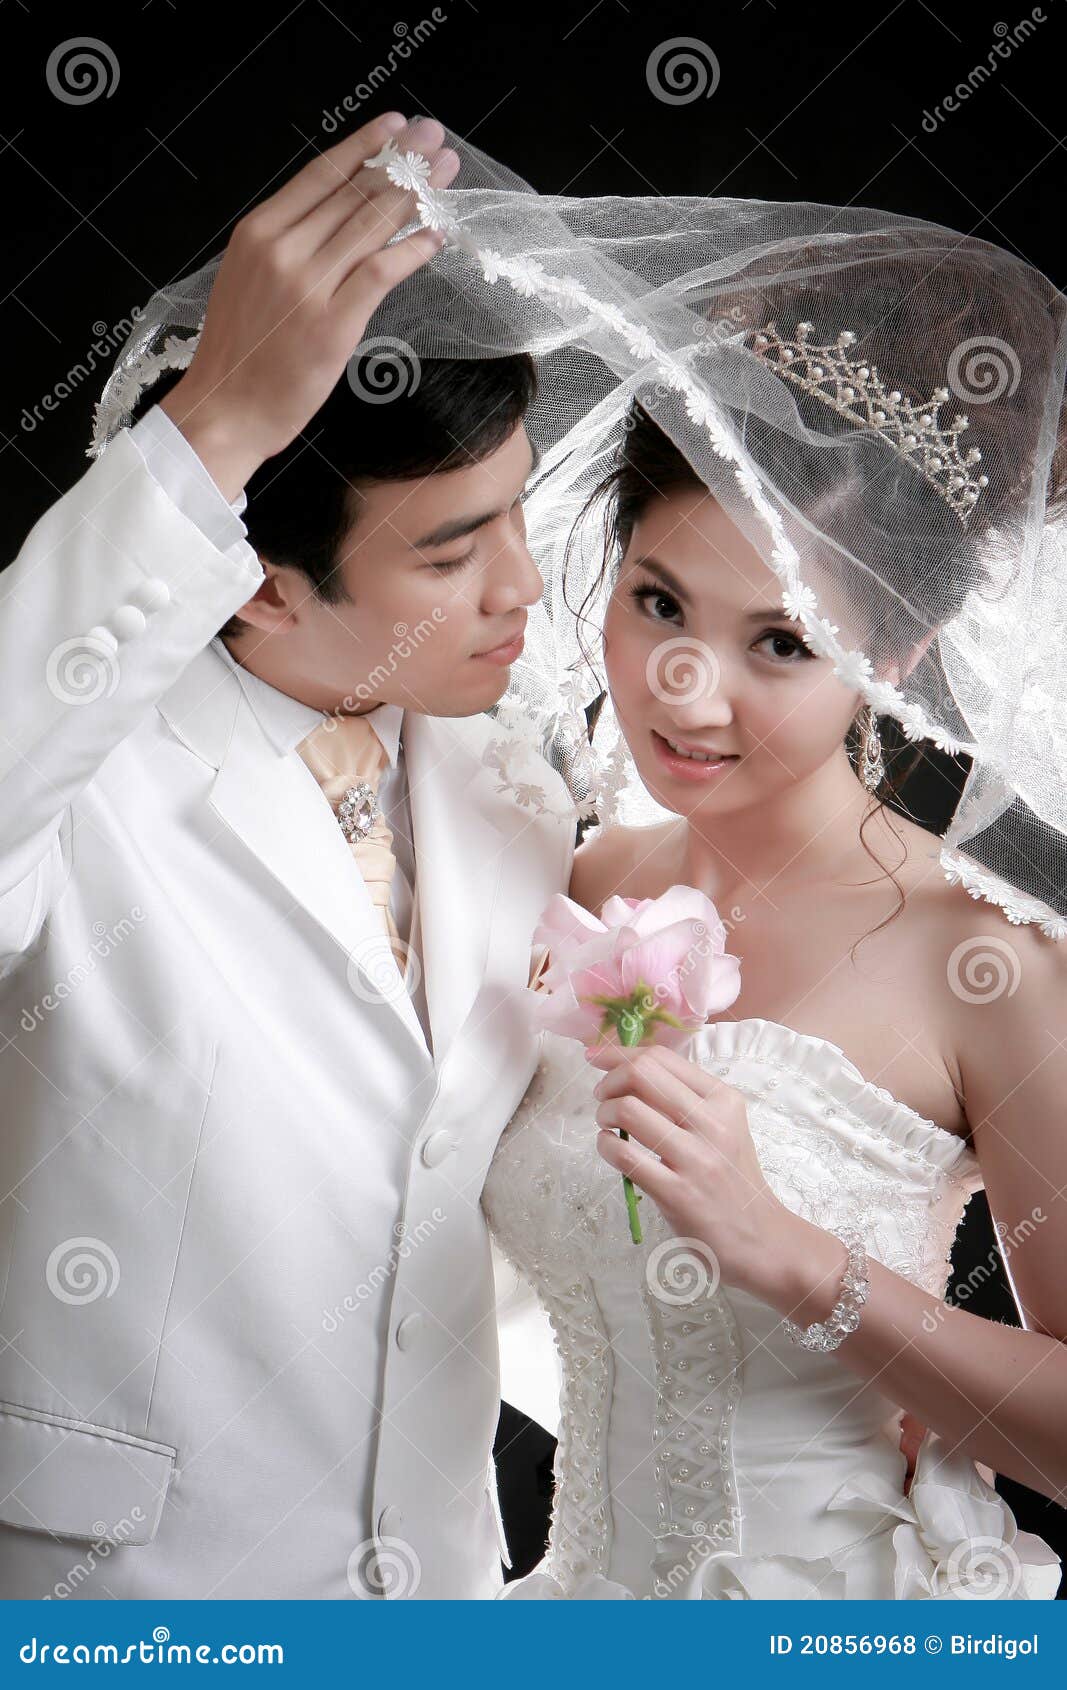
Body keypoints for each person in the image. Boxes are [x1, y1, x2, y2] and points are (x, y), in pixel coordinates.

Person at [343, 124, 1067, 1599]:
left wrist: (795, 1257)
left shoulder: (976, 958)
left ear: (903, 656)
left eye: (779, 644)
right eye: (659, 601)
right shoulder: (568, 876)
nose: (686, 688)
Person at [0, 112, 574, 1600]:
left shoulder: (525, 783)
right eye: (451, 554)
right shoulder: (75, 783)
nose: (521, 586)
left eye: (517, 510)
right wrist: (215, 429)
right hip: (125, 1596)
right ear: (255, 585)